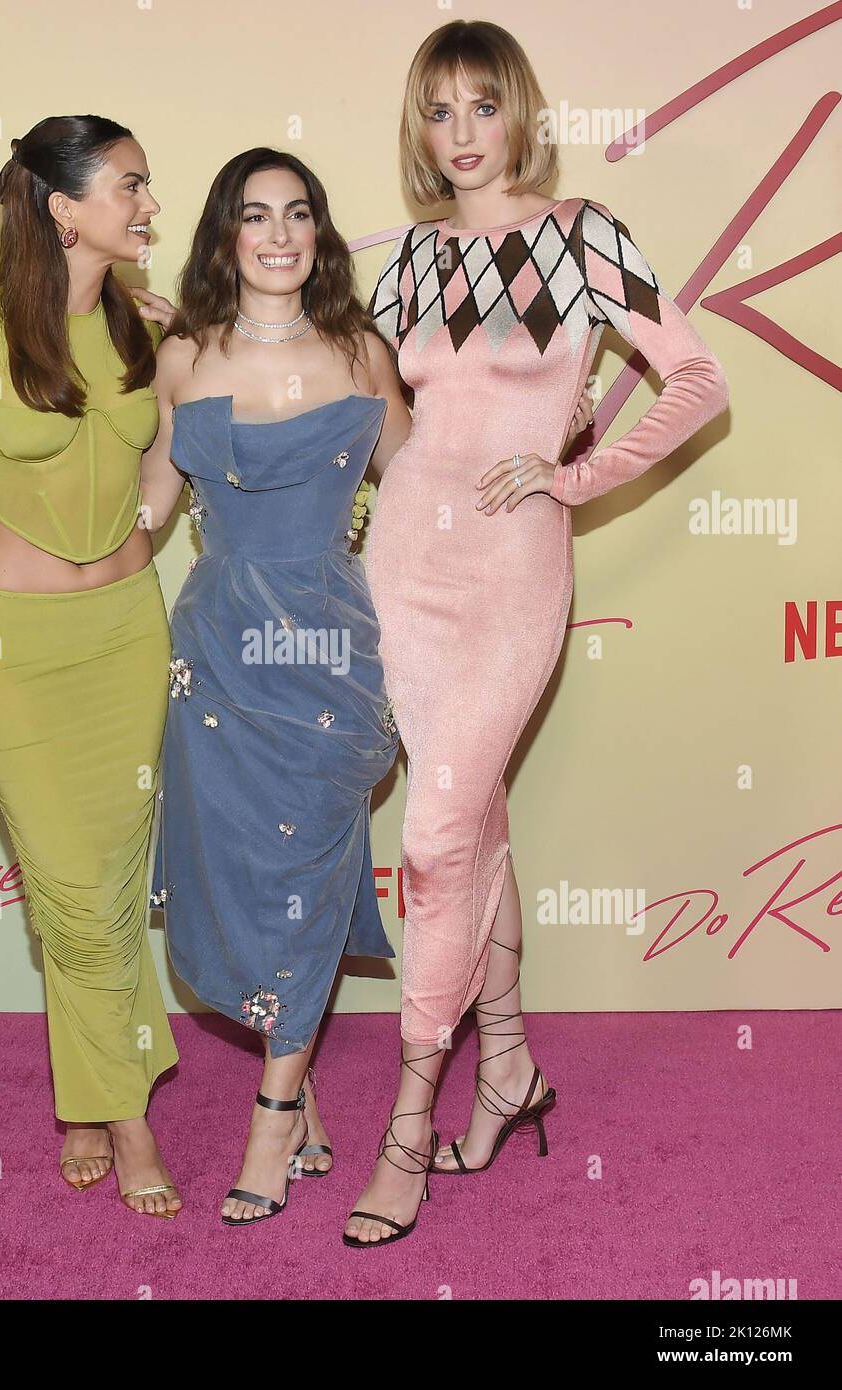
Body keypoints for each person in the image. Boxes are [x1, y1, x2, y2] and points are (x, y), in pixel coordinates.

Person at [345, 20, 729, 1246]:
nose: (458, 136)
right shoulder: (402, 260)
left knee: (438, 827)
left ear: (519, 112)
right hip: (402, 561)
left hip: (511, 569)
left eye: (479, 107)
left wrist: (570, 475)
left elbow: (697, 380)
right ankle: (504, 1065)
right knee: (476, 820)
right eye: (436, 112)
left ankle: (410, 1115)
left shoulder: (580, 235)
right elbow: (359, 398)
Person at [0, 114, 184, 1218]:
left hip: (126, 636)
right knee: (75, 899)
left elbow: (167, 467)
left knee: (103, 897)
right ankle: (126, 1122)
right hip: (12, 654)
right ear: (64, 208)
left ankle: (82, 1096)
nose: (150, 205)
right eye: (130, 185)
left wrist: (174, 406)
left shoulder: (144, 332)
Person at [139, 149, 408, 1225]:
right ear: (224, 237)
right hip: (216, 655)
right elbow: (146, 515)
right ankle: (296, 1098)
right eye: (255, 217)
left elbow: (423, 489)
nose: (280, 233)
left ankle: (271, 1112)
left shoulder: (357, 354)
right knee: (241, 881)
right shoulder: (180, 359)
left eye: (299, 213)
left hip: (330, 654)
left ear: (319, 231)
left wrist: (535, 440)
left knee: (308, 857)